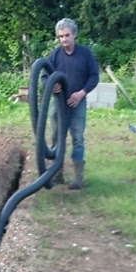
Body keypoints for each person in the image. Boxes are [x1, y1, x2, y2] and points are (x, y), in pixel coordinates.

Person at [44, 18, 99, 189]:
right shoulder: (54, 55)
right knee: (55, 138)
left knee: (77, 139)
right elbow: (44, 77)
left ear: (74, 35)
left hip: (77, 103)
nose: (64, 39)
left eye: (67, 35)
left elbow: (94, 76)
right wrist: (51, 86)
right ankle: (57, 174)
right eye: (60, 36)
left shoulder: (85, 54)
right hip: (58, 103)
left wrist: (81, 93)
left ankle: (77, 178)